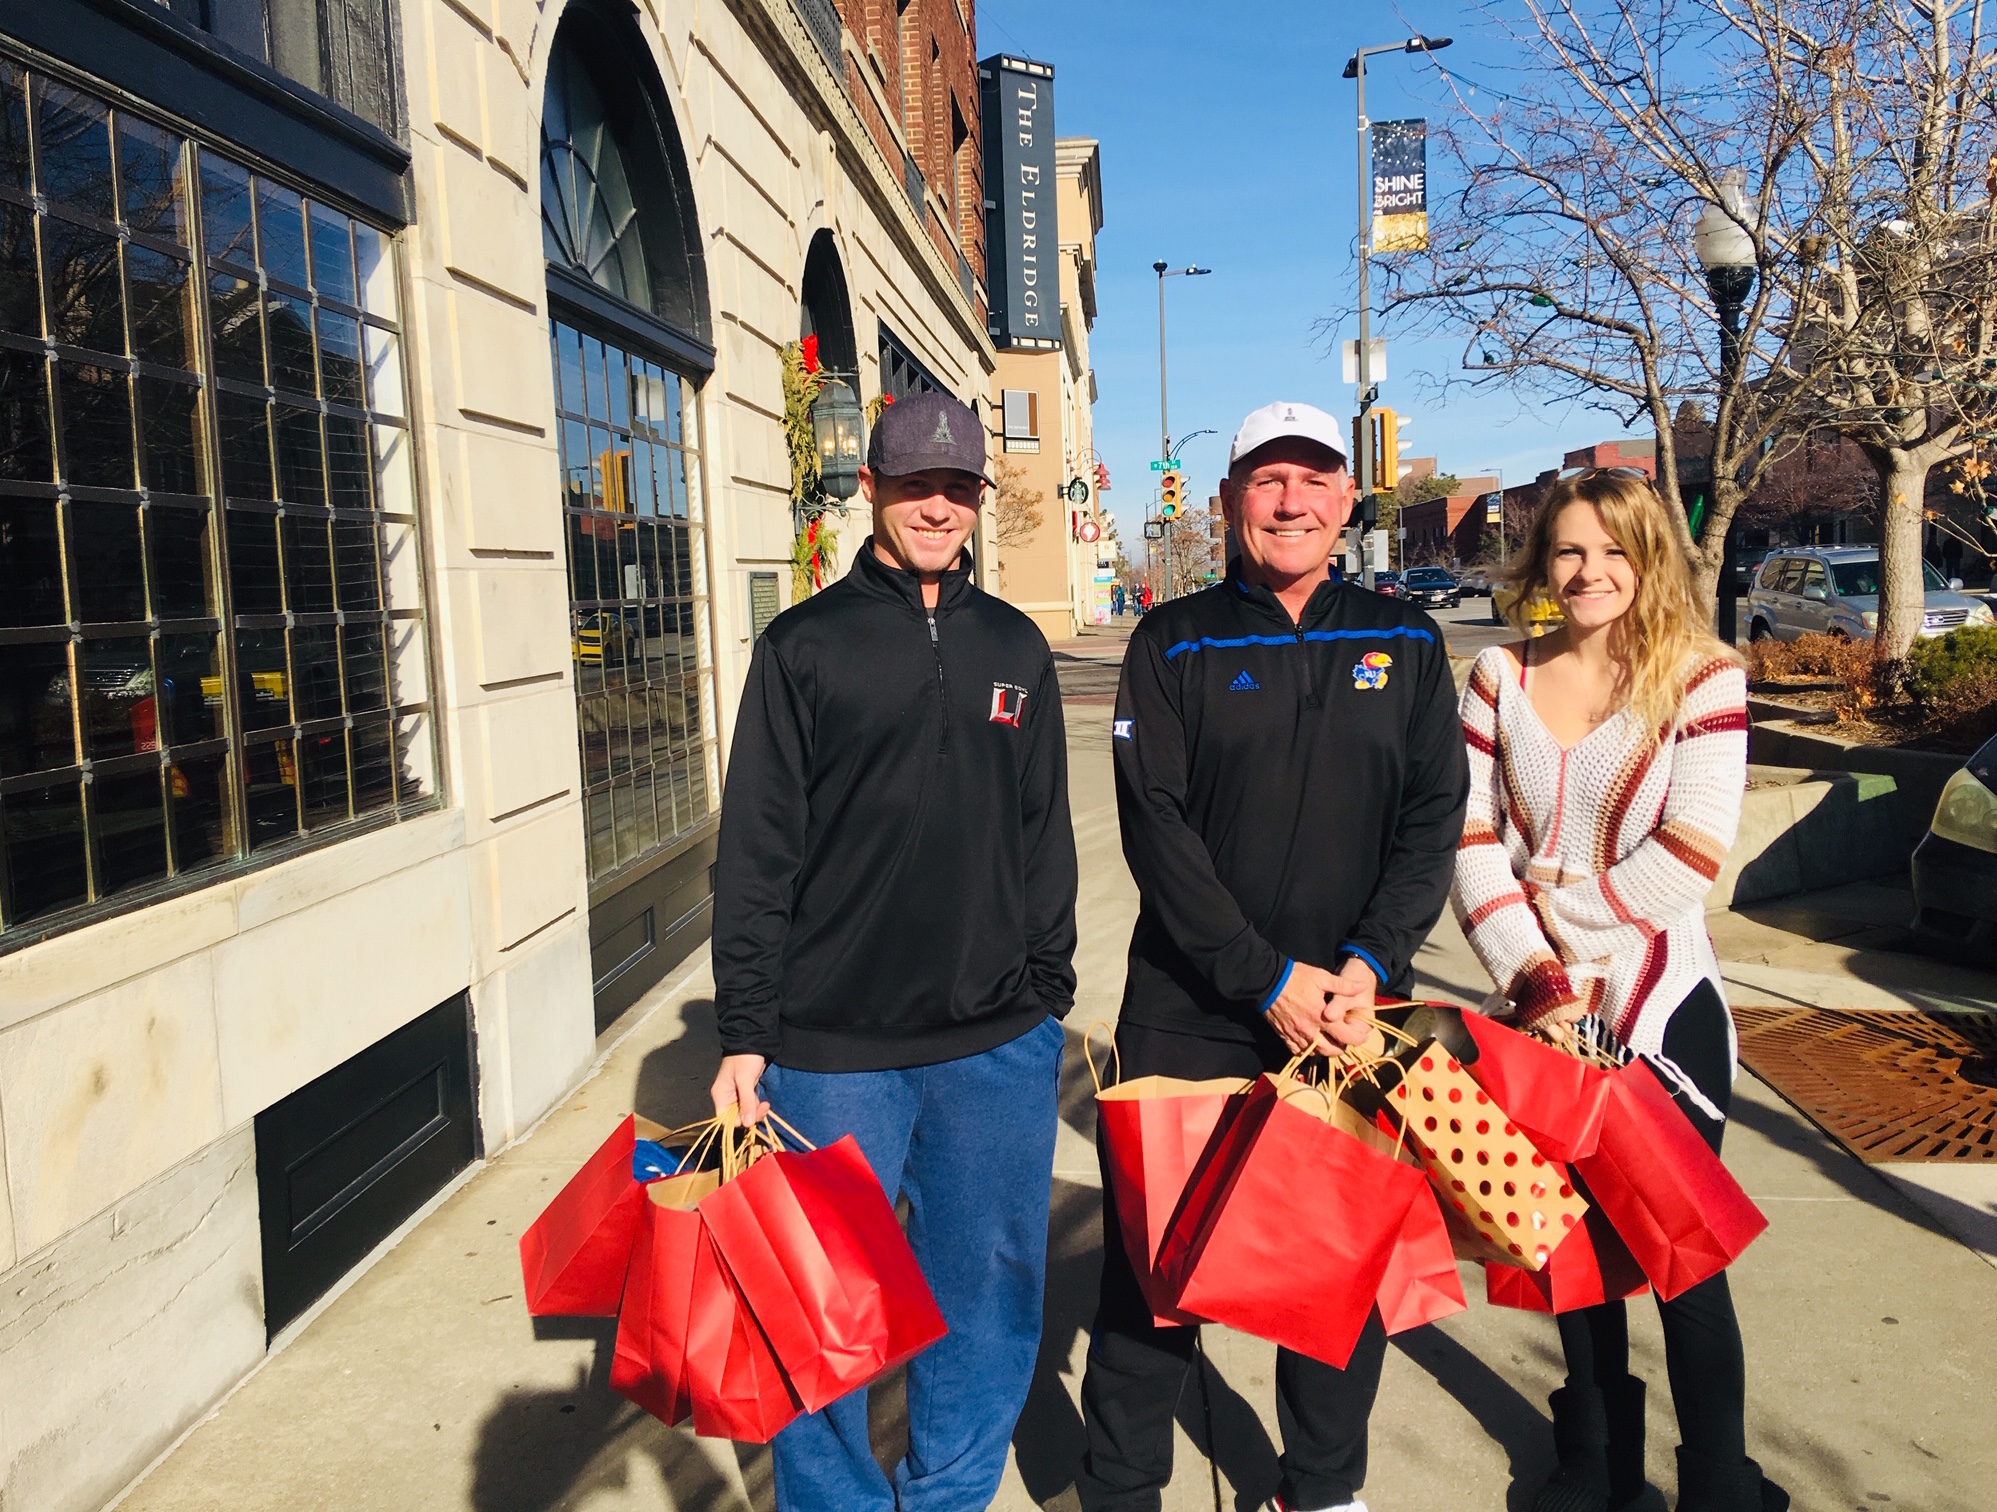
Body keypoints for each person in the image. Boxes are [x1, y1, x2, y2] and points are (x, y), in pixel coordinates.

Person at [1076, 401, 1471, 1512]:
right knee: (1156, 1279)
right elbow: (1154, 824)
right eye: (1264, 481)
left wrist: (1369, 965)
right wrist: (1262, 975)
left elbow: (1431, 815)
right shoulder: (1173, 642)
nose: (1288, 501)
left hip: (1350, 1014)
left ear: (1347, 499)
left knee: (1333, 1271)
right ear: (1228, 500)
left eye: (1311, 481)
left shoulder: (1403, 639)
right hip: (1191, 1007)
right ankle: (1119, 1490)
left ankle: (1323, 1487)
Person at [709, 391, 1079, 1511]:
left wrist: (1044, 989)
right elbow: (757, 850)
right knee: (818, 1316)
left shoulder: (1013, 646)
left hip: (992, 1047)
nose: (935, 505)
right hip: (832, 1053)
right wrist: (745, 1033)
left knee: (988, 1295)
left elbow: (1042, 833)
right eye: (912, 483)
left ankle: (949, 1495)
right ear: (869, 487)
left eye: (955, 486)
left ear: (977, 498)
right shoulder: (802, 647)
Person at [1450, 470, 1787, 1512]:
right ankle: (1593, 1464)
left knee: (1678, 1255)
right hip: (1538, 1015)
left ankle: (1719, 1481)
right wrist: (1535, 979)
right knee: (1568, 1252)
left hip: (1656, 1005)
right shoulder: (1496, 676)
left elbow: (1688, 856)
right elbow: (1466, 843)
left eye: (1613, 551)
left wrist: (1557, 930)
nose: (1589, 572)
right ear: (1539, 562)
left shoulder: (1700, 677)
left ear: (1648, 558)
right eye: (1567, 551)